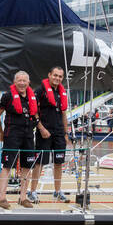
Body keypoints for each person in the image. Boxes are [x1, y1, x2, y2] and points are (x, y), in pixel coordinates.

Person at [0, 70, 38, 209]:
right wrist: (1, 132)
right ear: (15, 82)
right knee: (7, 166)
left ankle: (23, 198)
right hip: (12, 135)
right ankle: (2, 198)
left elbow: (35, 114)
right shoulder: (7, 96)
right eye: (19, 80)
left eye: (25, 80)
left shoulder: (32, 97)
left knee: (27, 167)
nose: (22, 83)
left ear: (28, 82)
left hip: (28, 135)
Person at [31, 66, 70, 204]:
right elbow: (33, 111)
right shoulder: (40, 91)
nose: (57, 78)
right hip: (44, 132)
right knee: (39, 162)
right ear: (49, 74)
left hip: (59, 133)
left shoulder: (61, 92)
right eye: (55, 75)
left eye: (60, 76)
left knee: (59, 163)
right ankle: (32, 191)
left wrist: (66, 133)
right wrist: (41, 128)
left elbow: (64, 114)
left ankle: (58, 191)